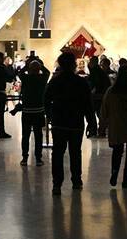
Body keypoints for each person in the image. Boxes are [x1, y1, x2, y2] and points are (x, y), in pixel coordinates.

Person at [44, 50, 97, 194]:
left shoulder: (55, 81)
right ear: (73, 65)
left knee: (58, 153)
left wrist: (50, 116)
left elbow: (46, 100)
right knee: (75, 152)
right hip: (76, 122)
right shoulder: (81, 82)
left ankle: (57, 184)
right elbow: (88, 104)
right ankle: (76, 180)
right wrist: (91, 122)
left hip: (59, 122)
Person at [101, 58, 127, 188]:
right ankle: (126, 180)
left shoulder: (111, 91)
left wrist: (102, 124)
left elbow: (104, 108)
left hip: (116, 125)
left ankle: (114, 172)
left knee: (117, 151)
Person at [19, 59, 48, 166]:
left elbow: (20, 72)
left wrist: (27, 65)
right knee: (38, 135)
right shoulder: (42, 79)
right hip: (39, 111)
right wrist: (40, 65)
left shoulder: (26, 78)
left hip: (26, 111)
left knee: (25, 135)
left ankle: (24, 158)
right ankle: (38, 158)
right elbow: (47, 72)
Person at [90, 55, 112, 137]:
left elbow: (95, 83)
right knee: (100, 113)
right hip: (102, 94)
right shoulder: (100, 71)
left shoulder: (95, 71)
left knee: (99, 113)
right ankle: (101, 129)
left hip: (98, 95)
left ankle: (100, 130)